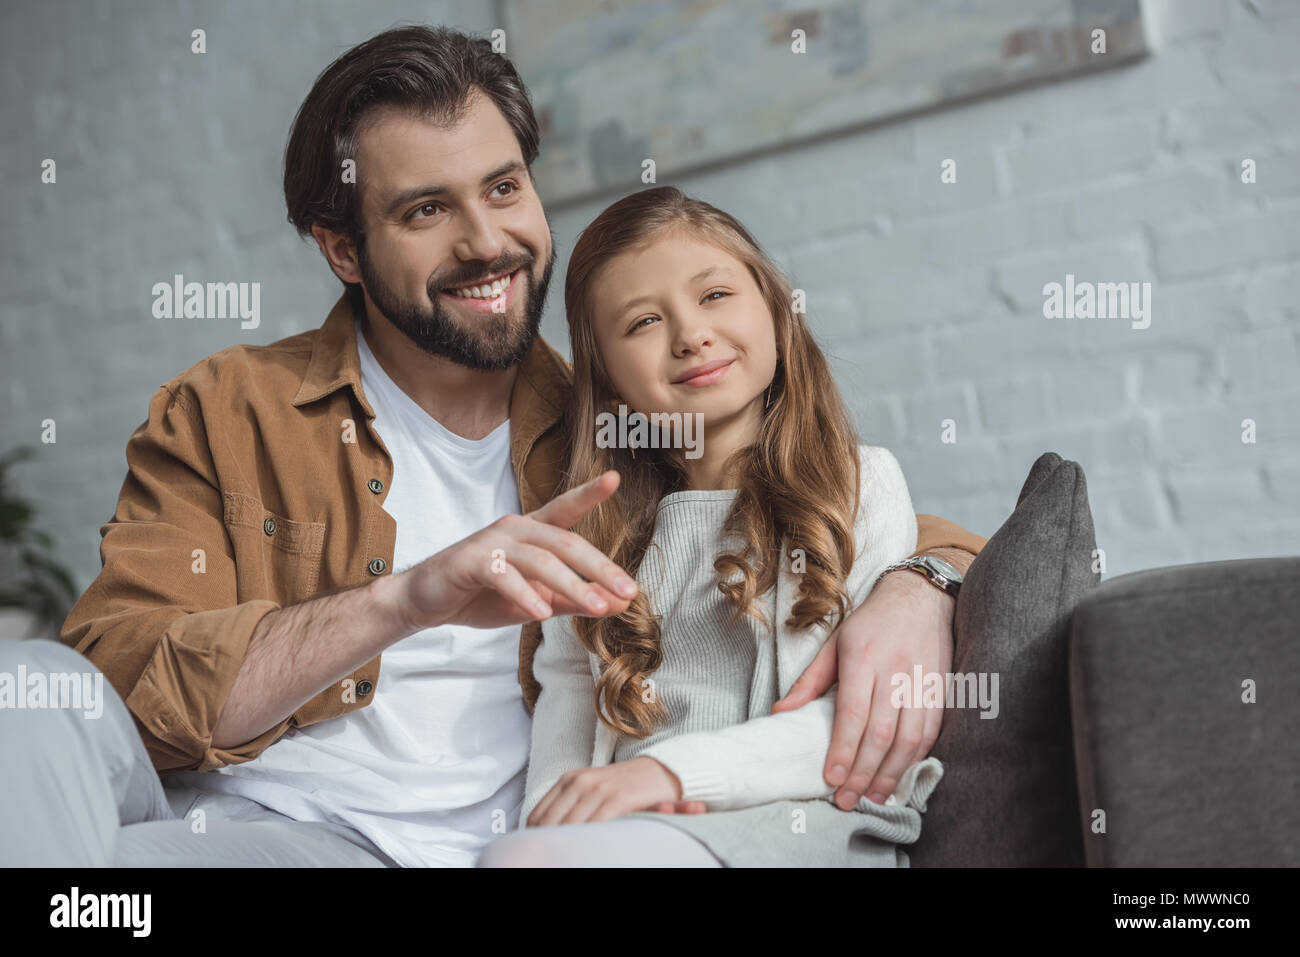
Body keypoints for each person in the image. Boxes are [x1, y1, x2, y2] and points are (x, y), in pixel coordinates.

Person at [1, 26, 984, 868]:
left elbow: (806, 493)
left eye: (503, 187)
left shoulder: (620, 428)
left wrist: (922, 585)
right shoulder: (231, 408)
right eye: (426, 210)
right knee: (28, 685)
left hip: (499, 847)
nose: (486, 241)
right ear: (342, 249)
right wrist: (406, 599)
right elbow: (129, 682)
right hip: (273, 824)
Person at [478, 188, 944, 868]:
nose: (690, 334)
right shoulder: (593, 543)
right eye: (642, 322)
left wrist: (667, 774)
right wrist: (554, 827)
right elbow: (564, 734)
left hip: (806, 821)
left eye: (716, 295)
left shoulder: (860, 484)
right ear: (608, 384)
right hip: (633, 831)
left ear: (779, 315)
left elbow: (857, 722)